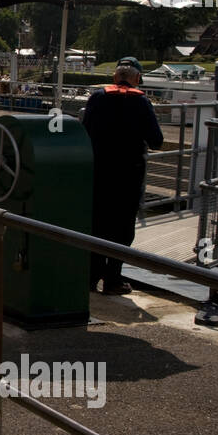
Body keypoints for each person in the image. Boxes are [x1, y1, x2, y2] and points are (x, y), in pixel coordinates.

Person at [80, 57, 163, 294]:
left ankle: (91, 278)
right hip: (129, 174)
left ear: (115, 77)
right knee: (123, 228)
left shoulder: (97, 98)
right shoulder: (141, 101)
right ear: (137, 78)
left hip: (99, 172)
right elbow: (156, 140)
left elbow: (85, 130)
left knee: (97, 224)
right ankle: (113, 279)